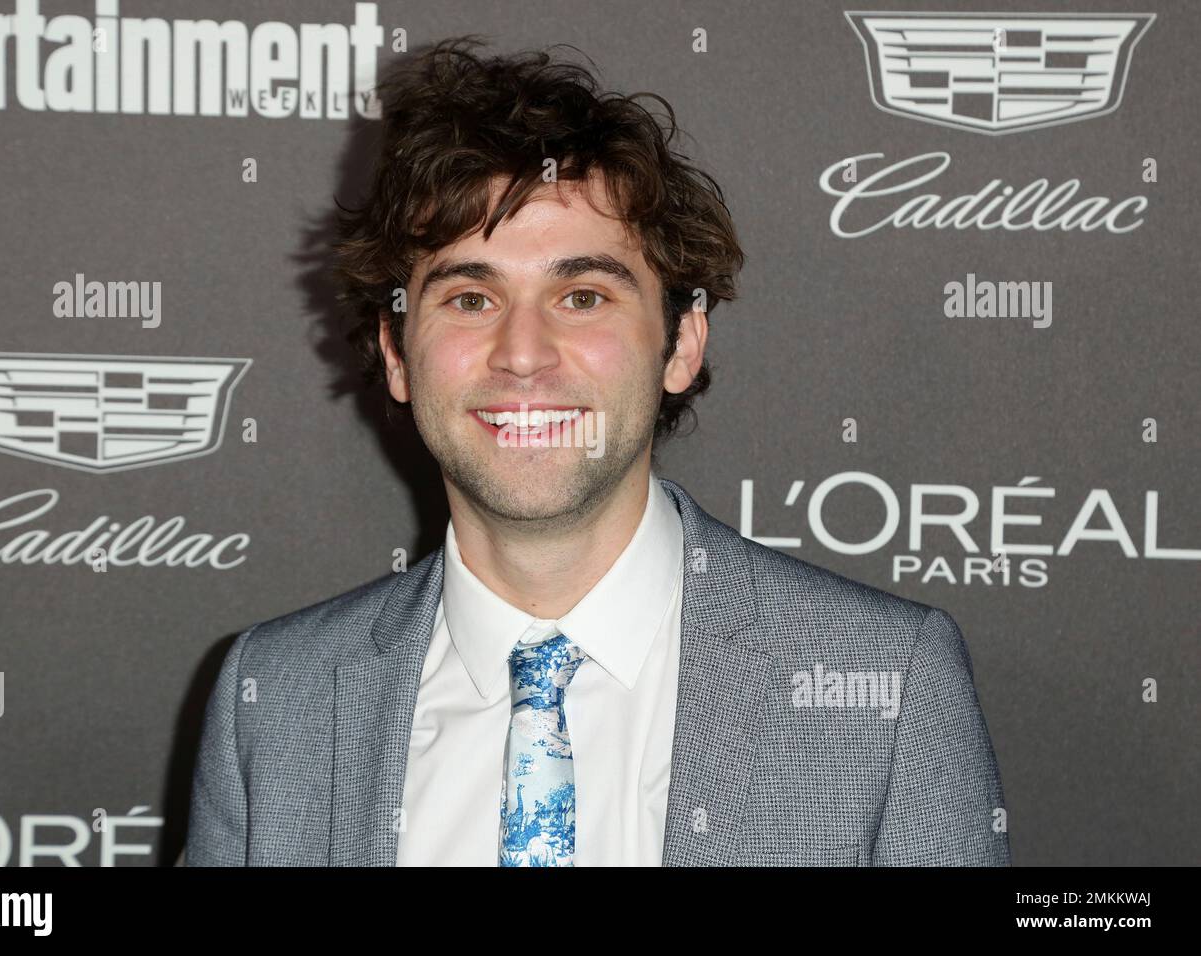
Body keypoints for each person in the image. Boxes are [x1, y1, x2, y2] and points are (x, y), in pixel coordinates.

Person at [184, 36, 1009, 867]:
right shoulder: (274, 699)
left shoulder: (888, 685)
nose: (523, 353)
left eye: (582, 297)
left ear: (681, 342)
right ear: (397, 353)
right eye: (470, 297)